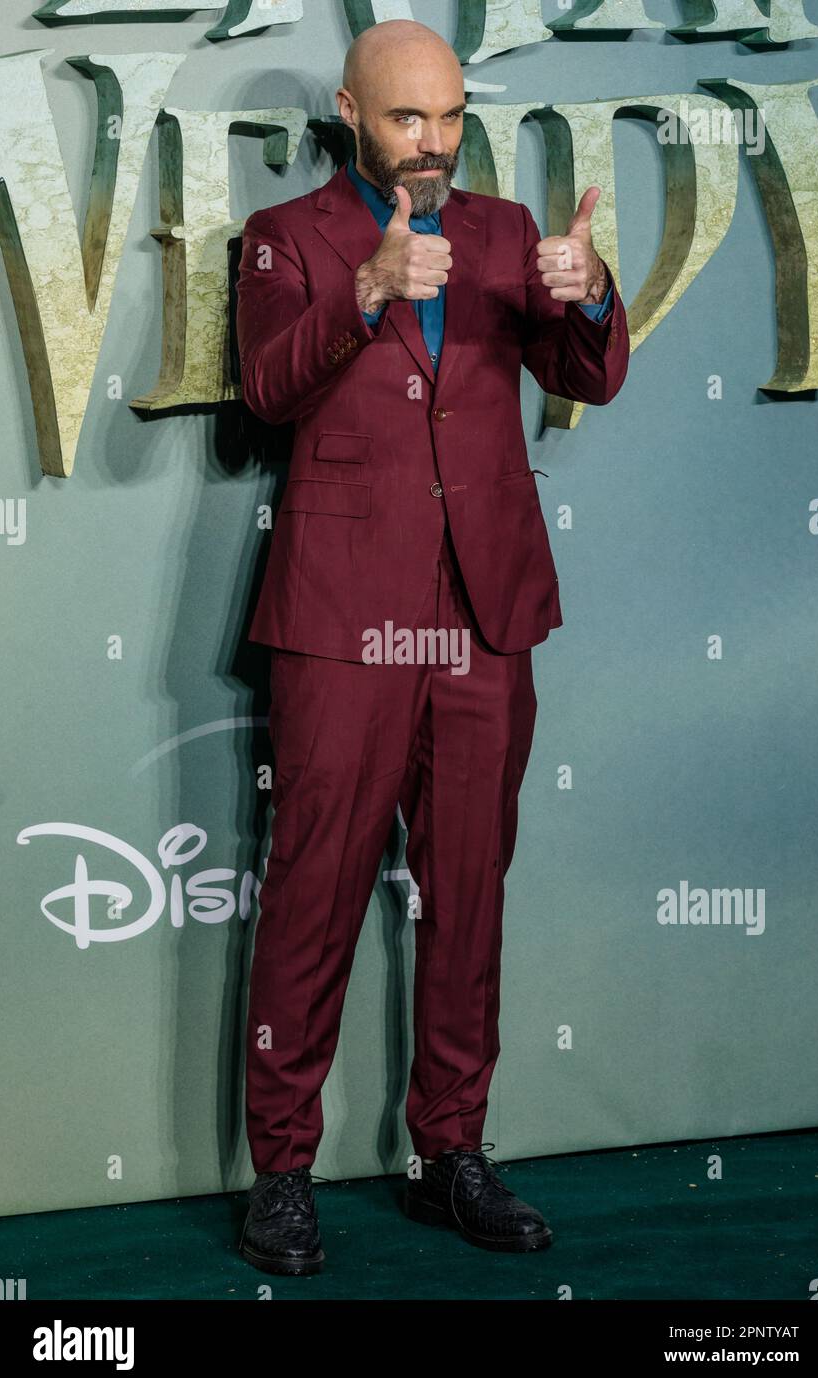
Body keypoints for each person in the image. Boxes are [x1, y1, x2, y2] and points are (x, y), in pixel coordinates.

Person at [235, 17, 630, 1276]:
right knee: (313, 892)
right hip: (342, 619)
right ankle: (282, 1170)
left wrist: (594, 293)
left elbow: (590, 371)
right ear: (351, 110)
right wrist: (358, 297)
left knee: (468, 894)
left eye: (451, 117)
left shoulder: (510, 230)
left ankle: (449, 1153)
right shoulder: (285, 240)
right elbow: (263, 392)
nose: (433, 144)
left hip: (483, 615)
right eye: (408, 119)